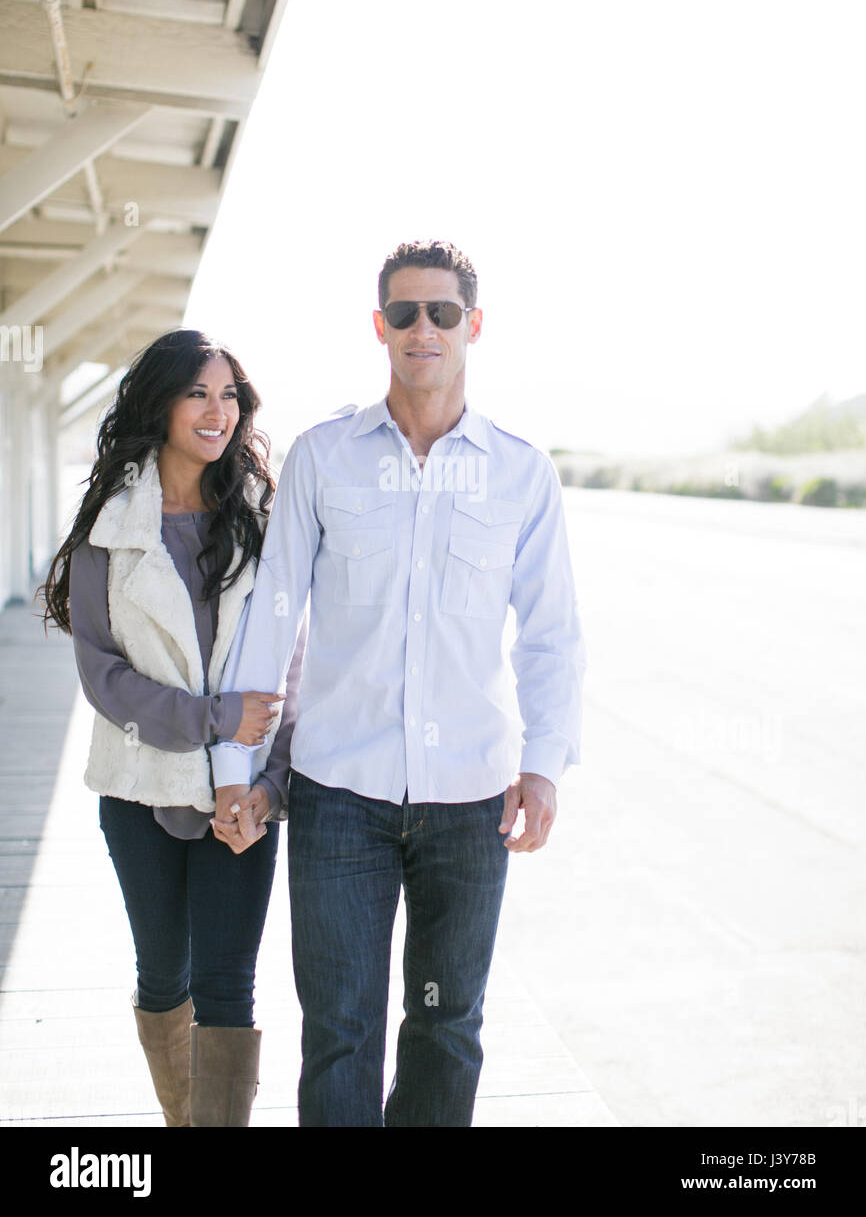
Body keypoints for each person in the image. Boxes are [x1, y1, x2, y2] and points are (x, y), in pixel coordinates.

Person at [212, 240, 586, 1127]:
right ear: (379, 327)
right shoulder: (322, 457)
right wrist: (236, 768)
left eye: (443, 312)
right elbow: (272, 616)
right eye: (406, 313)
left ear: (474, 326)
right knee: (339, 1029)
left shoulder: (521, 471)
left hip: (472, 797)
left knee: (447, 1024)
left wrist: (544, 765)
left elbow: (552, 635)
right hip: (341, 791)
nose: (425, 328)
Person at [38, 328, 305, 1128]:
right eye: (198, 392)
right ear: (160, 403)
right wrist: (207, 719)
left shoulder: (266, 518)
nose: (217, 411)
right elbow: (102, 670)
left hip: (241, 798)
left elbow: (297, 661)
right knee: (165, 973)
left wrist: (267, 784)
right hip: (141, 788)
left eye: (229, 395)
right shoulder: (110, 527)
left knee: (229, 985)